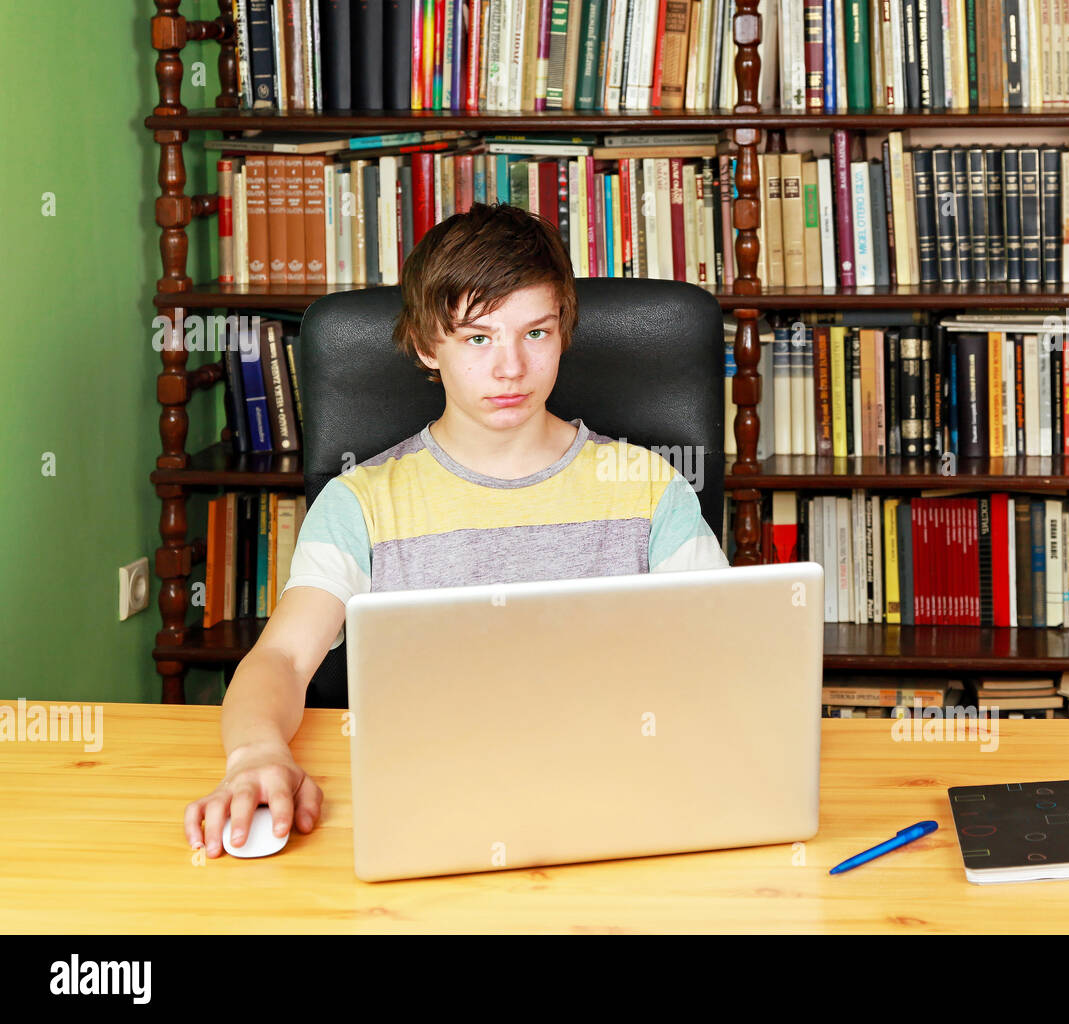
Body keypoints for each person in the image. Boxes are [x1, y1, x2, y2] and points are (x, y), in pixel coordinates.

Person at [184, 202, 730, 858]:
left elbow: (720, 657)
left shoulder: (647, 486)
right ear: (425, 344)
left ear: (564, 332)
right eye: (478, 337)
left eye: (536, 334)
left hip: (613, 804)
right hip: (427, 808)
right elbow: (281, 659)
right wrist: (255, 754)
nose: (510, 368)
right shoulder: (360, 501)